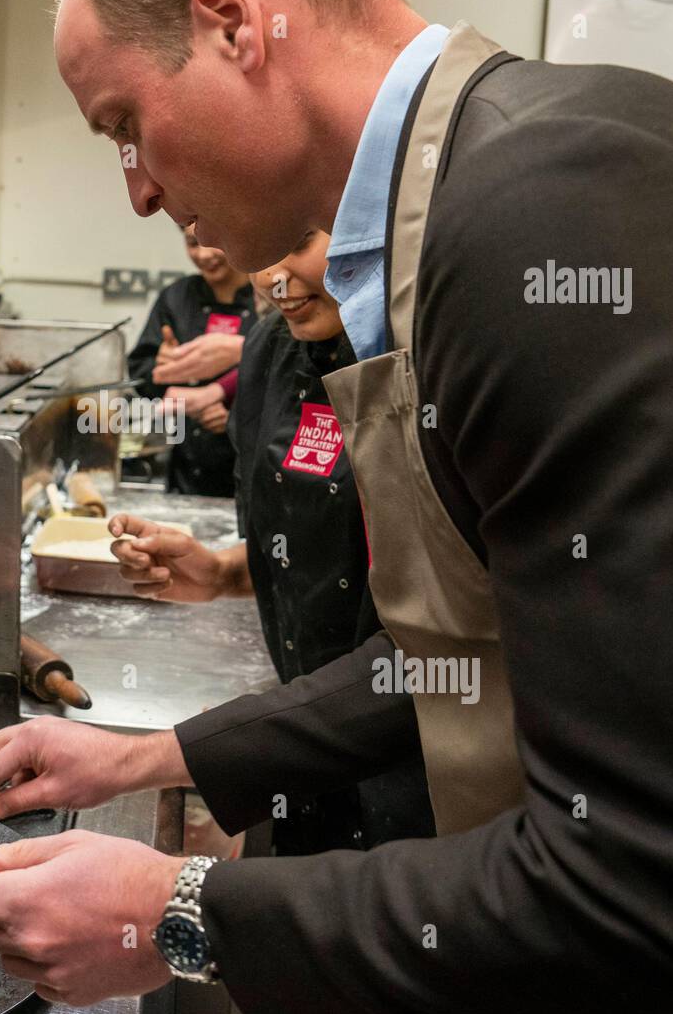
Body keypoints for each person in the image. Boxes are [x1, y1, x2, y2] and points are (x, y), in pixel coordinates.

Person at [0, 0, 673, 1014]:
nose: (139, 193)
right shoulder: (472, 196)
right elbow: (465, 657)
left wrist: (182, 914)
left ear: (230, 23)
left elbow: (669, 892)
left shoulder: (547, 210)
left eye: (125, 127)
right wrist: (159, 755)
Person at [111, 227, 433, 853]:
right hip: (303, 743)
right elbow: (311, 541)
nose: (273, 277)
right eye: (263, 250)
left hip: (420, 768)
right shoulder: (271, 350)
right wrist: (225, 573)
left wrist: (138, 761)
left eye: (301, 240)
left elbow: (436, 630)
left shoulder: (426, 364)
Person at [126, 220, 255, 495]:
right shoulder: (176, 298)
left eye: (213, 242)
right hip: (187, 471)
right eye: (193, 243)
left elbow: (286, 377)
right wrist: (164, 369)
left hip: (251, 472)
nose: (204, 255)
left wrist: (237, 416)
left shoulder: (267, 299)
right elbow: (142, 374)